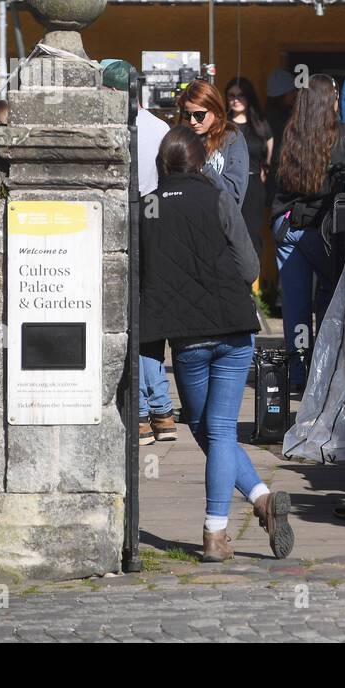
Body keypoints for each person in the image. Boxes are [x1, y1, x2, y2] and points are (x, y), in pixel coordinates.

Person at [140, 126, 293, 561]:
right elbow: (248, 265)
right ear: (199, 161)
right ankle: (261, 500)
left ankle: (215, 534)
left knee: (207, 428)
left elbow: (143, 277)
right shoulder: (218, 198)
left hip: (188, 337)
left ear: (162, 165)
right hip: (233, 326)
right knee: (217, 429)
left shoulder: (147, 207)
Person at [102, 58, 176, 442]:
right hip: (154, 228)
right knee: (147, 326)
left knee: (128, 323)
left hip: (118, 227)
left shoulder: (111, 126)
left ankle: (147, 414)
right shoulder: (162, 128)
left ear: (113, 92)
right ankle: (160, 411)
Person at [271, 73, 345, 387]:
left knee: (295, 304)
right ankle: (322, 372)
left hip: (287, 224)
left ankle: (297, 372)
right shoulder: (341, 137)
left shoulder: (291, 133)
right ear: (329, 100)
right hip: (319, 230)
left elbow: (279, 183)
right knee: (329, 297)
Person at [176, 79, 249, 208]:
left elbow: (234, 194)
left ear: (215, 110)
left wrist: (203, 166)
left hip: (218, 221)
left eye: (199, 115)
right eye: (187, 114)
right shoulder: (181, 139)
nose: (192, 121)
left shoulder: (232, 138)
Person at [225, 75, 274, 261]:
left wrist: (265, 169)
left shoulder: (260, 124)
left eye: (241, 95)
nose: (236, 99)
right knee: (228, 233)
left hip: (253, 184)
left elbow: (269, 148)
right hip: (228, 183)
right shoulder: (222, 125)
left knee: (252, 234)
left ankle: (252, 285)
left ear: (249, 97)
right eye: (231, 95)